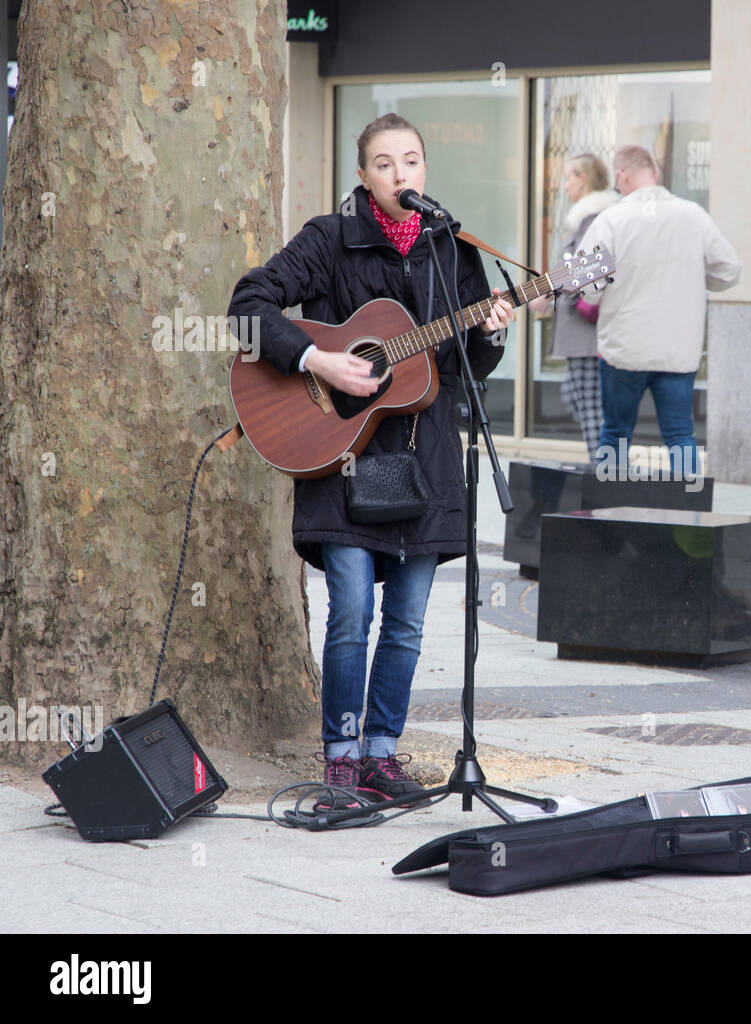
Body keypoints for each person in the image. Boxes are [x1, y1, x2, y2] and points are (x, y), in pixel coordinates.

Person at [228, 113, 514, 808]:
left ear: (425, 171)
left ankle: (385, 754)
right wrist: (316, 357)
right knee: (351, 609)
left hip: (424, 460)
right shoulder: (329, 240)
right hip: (339, 452)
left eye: (411, 161)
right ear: (362, 176)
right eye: (384, 164)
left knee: (409, 619)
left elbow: (460, 366)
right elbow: (246, 306)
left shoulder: (452, 246)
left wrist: (493, 334)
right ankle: (342, 757)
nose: (400, 175)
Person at [577, 144, 741, 479]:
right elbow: (729, 270)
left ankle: (608, 514)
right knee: (680, 435)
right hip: (677, 349)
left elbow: (586, 286)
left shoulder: (611, 219)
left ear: (622, 174)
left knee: (616, 435)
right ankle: (688, 518)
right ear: (655, 172)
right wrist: (697, 278)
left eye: (617, 179)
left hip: (623, 349)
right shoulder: (693, 215)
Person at [529, 154, 619, 460]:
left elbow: (585, 266)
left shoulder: (592, 216)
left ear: (583, 178)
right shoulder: (595, 215)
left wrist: (546, 291)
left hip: (586, 335)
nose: (565, 186)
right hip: (587, 332)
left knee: (594, 414)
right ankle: (609, 465)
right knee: (578, 397)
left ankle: (606, 478)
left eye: (568, 178)